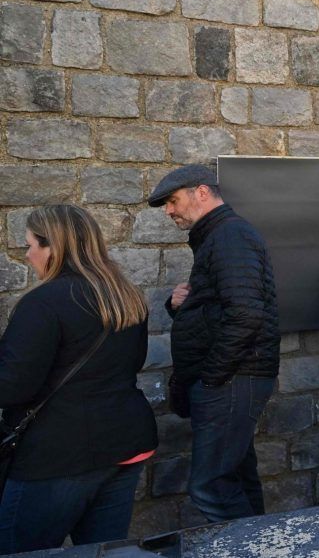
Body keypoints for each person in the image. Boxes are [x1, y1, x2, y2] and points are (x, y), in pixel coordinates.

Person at [0, 206, 157, 553]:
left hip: (58, 455)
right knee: (103, 551)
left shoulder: (42, 303)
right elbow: (133, 363)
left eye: (30, 245)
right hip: (124, 444)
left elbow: (12, 386)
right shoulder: (126, 295)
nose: (26, 255)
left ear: (52, 247)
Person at [149, 164, 279, 522]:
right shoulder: (218, 236)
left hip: (232, 379)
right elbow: (223, 308)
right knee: (236, 478)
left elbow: (246, 314)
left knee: (211, 486)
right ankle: (260, 542)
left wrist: (212, 377)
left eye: (173, 201)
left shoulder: (230, 236)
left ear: (202, 192)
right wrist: (181, 305)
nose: (169, 211)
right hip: (231, 378)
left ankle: (246, 546)